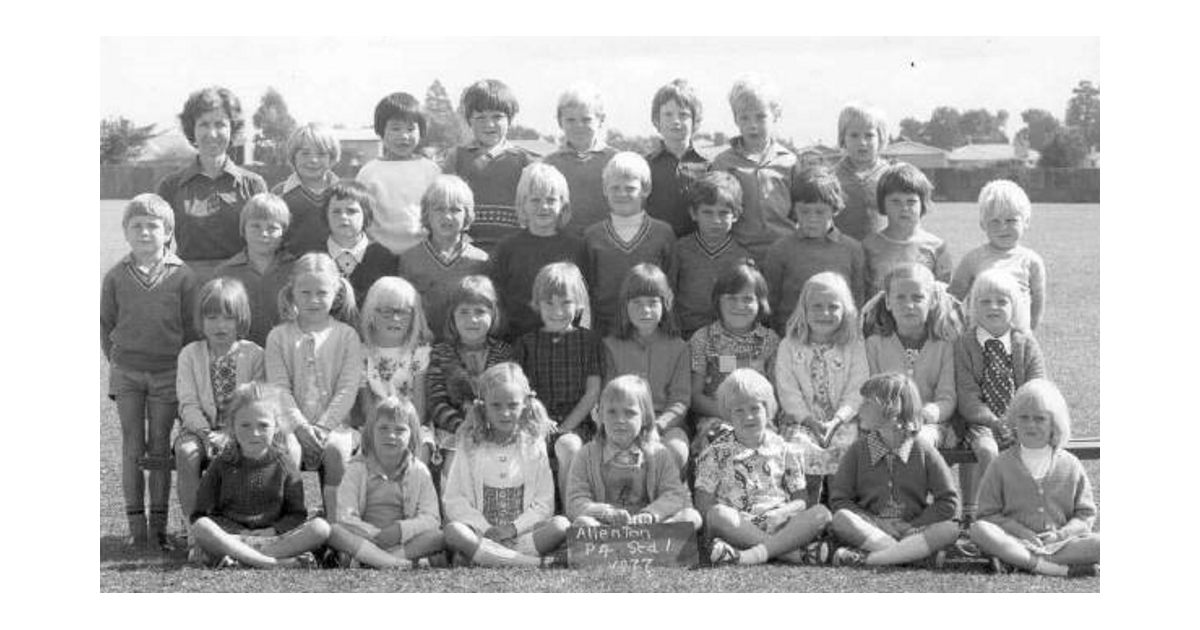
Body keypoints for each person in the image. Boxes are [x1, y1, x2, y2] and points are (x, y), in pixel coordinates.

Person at [101, 193, 199, 549]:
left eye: (152, 226)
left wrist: (178, 368)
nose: (144, 232)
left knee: (158, 448)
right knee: (131, 445)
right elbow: (105, 325)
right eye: (136, 226)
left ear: (168, 231)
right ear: (126, 232)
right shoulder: (115, 276)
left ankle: (158, 527)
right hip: (127, 373)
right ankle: (135, 527)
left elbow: (191, 328)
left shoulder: (183, 275)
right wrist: (119, 362)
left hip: (167, 375)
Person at [697, 369, 832, 566]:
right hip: (739, 525)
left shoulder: (786, 449)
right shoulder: (715, 453)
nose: (748, 417)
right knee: (717, 514)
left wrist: (781, 513)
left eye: (754, 409)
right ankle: (790, 553)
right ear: (728, 414)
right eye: (739, 411)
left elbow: (801, 501)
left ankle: (749, 555)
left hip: (780, 521)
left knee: (822, 513)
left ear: (768, 410)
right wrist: (739, 519)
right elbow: (704, 507)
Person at [189, 382, 331, 568]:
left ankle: (244, 561)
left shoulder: (285, 465)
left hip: (273, 539)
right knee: (202, 527)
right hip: (232, 539)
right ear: (232, 425)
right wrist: (237, 531)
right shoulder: (221, 464)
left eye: (263, 425)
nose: (254, 433)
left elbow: (296, 514)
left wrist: (272, 530)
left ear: (277, 426)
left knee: (321, 528)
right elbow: (201, 513)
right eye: (245, 425)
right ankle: (272, 563)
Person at [442, 363, 570, 567]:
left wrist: (513, 528)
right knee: (453, 532)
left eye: (512, 405)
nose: (505, 413)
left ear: (525, 405)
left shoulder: (533, 445)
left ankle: (487, 558)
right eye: (496, 405)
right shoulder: (470, 444)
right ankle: (534, 563)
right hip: (482, 535)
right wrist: (486, 529)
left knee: (561, 525)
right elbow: (454, 499)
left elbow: (544, 502)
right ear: (482, 406)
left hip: (523, 536)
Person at [265, 252, 363, 517]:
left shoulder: (346, 336)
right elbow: (279, 389)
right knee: (288, 452)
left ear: (336, 293)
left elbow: (347, 388)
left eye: (321, 292)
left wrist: (322, 426)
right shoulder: (279, 336)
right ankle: (289, 521)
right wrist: (300, 427)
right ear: (292, 292)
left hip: (336, 426)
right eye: (305, 292)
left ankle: (337, 524)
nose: (313, 300)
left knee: (337, 450)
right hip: (289, 426)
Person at [968, 380, 1099, 577]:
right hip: (1014, 541)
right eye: (1024, 417)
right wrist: (1021, 532)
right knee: (979, 530)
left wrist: (1059, 535)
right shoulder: (1000, 464)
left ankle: (1018, 561)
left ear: (1054, 423)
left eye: (1039, 419)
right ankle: (1050, 568)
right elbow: (987, 515)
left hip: (1060, 545)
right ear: (1014, 421)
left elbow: (1085, 515)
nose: (1031, 424)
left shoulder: (1071, 464)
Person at [828, 372, 960, 568]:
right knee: (841, 520)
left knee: (950, 529)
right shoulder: (857, 450)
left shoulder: (923, 450)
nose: (859, 409)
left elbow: (948, 502)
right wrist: (877, 523)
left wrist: (912, 526)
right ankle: (912, 556)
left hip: (913, 531)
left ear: (890, 409)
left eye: (867, 403)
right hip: (872, 530)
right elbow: (840, 500)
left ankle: (872, 559)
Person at [953, 269, 1047, 521]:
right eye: (984, 301)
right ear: (974, 306)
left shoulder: (1025, 343)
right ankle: (979, 510)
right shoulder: (965, 344)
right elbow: (967, 395)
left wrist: (1015, 420)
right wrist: (994, 422)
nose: (993, 307)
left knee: (1029, 447)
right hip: (979, 422)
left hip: (1019, 419)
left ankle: (1021, 509)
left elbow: (1036, 388)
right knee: (986, 450)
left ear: (1014, 306)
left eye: (1001, 301)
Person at [174, 277, 265, 530]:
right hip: (198, 430)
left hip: (243, 430)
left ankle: (245, 524)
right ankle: (195, 529)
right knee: (186, 452)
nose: (220, 325)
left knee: (252, 449)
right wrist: (206, 435)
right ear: (201, 321)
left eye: (228, 317)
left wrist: (230, 436)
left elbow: (256, 405)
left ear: (241, 319)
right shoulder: (190, 354)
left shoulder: (255, 355)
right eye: (212, 318)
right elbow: (187, 403)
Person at [774, 272, 869, 507]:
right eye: (816, 306)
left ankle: (840, 508)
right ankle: (809, 511)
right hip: (801, 421)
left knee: (845, 447)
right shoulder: (789, 345)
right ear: (803, 309)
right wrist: (807, 420)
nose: (824, 313)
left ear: (845, 310)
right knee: (801, 447)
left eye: (833, 307)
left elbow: (858, 387)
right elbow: (788, 389)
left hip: (841, 420)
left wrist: (838, 419)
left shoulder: (853, 344)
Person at [513, 262, 603, 505]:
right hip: (535, 421)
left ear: (578, 304)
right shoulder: (526, 344)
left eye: (566, 303)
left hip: (576, 423)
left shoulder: (589, 341)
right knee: (526, 448)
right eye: (549, 303)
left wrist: (565, 427)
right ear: (537, 304)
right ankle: (534, 514)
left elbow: (592, 392)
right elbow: (520, 392)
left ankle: (569, 512)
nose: (557, 311)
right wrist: (539, 422)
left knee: (569, 446)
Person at [156, 86, 267, 281]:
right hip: (188, 287)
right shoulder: (170, 186)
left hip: (241, 287)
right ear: (192, 129)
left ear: (232, 129)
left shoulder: (254, 185)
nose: (212, 133)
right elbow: (158, 251)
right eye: (204, 124)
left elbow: (265, 248)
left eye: (220, 124)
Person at [566, 375, 702, 530]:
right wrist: (606, 513)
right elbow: (575, 501)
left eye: (629, 413)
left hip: (650, 528)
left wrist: (651, 514)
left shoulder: (660, 454)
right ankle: (608, 544)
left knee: (692, 517)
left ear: (644, 417)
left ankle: (660, 540)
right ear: (600, 415)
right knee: (583, 524)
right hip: (606, 528)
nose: (620, 420)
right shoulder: (586, 455)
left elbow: (674, 494)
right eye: (611, 412)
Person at [327, 397, 444, 569]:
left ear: (412, 436)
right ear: (370, 432)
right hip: (365, 540)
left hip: (403, 543)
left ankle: (376, 560)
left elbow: (432, 518)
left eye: (400, 430)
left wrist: (400, 531)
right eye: (383, 428)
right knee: (334, 531)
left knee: (438, 537)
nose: (391, 435)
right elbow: (345, 516)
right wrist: (375, 535)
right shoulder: (356, 469)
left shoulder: (419, 471)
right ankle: (390, 561)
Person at [861, 263, 962, 450]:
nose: (909, 305)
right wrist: (891, 420)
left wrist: (926, 414)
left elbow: (947, 398)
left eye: (918, 297)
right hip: (884, 423)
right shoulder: (874, 345)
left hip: (931, 425)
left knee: (917, 442)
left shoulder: (944, 346)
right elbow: (871, 394)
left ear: (931, 302)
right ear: (888, 303)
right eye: (900, 298)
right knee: (880, 442)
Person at [603, 264, 691, 475]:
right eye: (637, 303)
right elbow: (606, 398)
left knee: (676, 450)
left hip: (665, 425)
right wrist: (627, 427)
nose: (646, 310)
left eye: (653, 303)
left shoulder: (679, 347)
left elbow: (680, 401)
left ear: (665, 304)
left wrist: (657, 427)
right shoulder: (610, 346)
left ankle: (671, 499)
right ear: (625, 306)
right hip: (621, 422)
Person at [687, 260, 779, 457]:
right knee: (722, 443)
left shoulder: (770, 341)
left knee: (767, 448)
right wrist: (731, 415)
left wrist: (753, 417)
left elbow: (776, 393)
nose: (739, 305)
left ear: (760, 303)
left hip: (758, 418)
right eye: (731, 298)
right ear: (717, 301)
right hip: (716, 418)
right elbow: (695, 397)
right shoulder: (702, 339)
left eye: (748, 299)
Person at [489, 163, 590, 342]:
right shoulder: (507, 248)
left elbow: (585, 303)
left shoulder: (578, 248)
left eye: (551, 200)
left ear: (563, 205)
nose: (543, 207)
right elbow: (497, 300)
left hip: (566, 341)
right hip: (518, 342)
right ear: (523, 205)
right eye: (535, 200)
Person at [426, 275, 513, 481]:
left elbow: (508, 398)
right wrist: (463, 427)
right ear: (452, 317)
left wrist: (487, 428)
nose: (472, 319)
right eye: (463, 312)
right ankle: (452, 512)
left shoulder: (504, 353)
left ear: (493, 314)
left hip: (495, 426)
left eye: (480, 312)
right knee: (455, 459)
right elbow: (436, 401)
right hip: (453, 429)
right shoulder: (441, 353)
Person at [764, 165, 866, 334]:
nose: (812, 219)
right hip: (792, 340)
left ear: (834, 209)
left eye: (820, 212)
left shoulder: (853, 249)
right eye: (804, 211)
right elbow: (770, 301)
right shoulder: (780, 249)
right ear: (794, 209)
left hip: (838, 342)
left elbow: (858, 301)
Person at [584, 152, 676, 336]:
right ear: (604, 190)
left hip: (650, 330)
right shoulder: (592, 235)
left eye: (630, 188)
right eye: (615, 188)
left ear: (646, 189)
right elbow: (589, 289)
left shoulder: (663, 233)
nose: (622, 194)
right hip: (606, 331)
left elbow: (671, 284)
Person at [710, 74, 797, 266]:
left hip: (784, 252)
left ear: (776, 115)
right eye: (745, 117)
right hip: (739, 254)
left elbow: (799, 210)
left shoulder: (789, 162)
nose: (753, 125)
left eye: (760, 116)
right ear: (735, 119)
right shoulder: (723, 163)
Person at [443, 79, 537, 253]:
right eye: (480, 117)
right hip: (466, 248)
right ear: (469, 120)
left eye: (497, 117)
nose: (489, 124)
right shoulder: (457, 157)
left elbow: (532, 209)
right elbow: (446, 202)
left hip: (512, 248)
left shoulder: (525, 161)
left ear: (510, 119)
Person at [397, 175, 489, 342]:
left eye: (455, 210)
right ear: (427, 213)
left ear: (467, 214)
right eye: (439, 209)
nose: (447, 217)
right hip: (423, 347)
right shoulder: (410, 258)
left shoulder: (480, 261)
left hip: (465, 349)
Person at [948, 179, 1047, 331]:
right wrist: (960, 328)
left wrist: (1029, 331)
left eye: (1011, 220)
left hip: (1017, 340)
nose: (1003, 227)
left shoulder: (1031, 261)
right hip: (979, 341)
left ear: (1026, 221)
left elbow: (1038, 300)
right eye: (995, 221)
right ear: (982, 224)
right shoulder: (973, 259)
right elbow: (953, 298)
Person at [358, 276, 436, 465]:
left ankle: (413, 492)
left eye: (403, 312)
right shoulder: (362, 353)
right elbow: (366, 402)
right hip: (375, 424)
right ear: (370, 314)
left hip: (411, 423)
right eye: (386, 312)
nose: (395, 318)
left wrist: (405, 429)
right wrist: (381, 430)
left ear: (413, 316)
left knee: (421, 448)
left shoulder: (418, 352)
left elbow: (419, 403)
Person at [355, 92, 441, 256]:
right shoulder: (369, 172)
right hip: (379, 253)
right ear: (381, 130)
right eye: (395, 128)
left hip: (425, 252)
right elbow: (360, 216)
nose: (404, 136)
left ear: (421, 131)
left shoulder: (432, 170)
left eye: (411, 129)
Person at [673, 171, 752, 337]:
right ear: (694, 214)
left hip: (727, 339)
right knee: (691, 363)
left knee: (728, 364)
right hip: (686, 336)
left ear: (736, 215)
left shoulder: (743, 258)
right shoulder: (679, 250)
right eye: (707, 212)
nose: (715, 220)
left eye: (723, 213)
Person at [214, 192, 294, 346]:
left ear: (283, 232)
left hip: (288, 354)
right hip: (240, 357)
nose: (263, 234)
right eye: (255, 226)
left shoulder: (296, 270)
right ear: (243, 229)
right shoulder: (224, 273)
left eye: (272, 228)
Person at [861, 163, 952, 297]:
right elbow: (863, 294)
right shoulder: (869, 246)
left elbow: (944, 297)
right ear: (883, 203)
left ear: (923, 203)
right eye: (896, 201)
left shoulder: (937, 247)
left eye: (911, 202)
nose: (904, 208)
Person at [544, 82, 618, 237]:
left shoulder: (616, 161)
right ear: (559, 122)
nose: (579, 126)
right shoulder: (548, 165)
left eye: (586, 120)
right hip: (563, 244)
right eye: (570, 120)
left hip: (607, 243)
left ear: (601, 120)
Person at [645, 78, 710, 237]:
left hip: (696, 249)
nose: (676, 121)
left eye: (684, 115)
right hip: (657, 247)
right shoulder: (645, 166)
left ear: (695, 121)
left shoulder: (708, 166)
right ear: (656, 120)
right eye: (668, 114)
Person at [274, 122, 342, 256]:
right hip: (290, 270)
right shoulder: (279, 194)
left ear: (332, 158)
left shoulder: (345, 193)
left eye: (322, 154)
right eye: (305, 154)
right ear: (293, 157)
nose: (314, 160)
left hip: (337, 270)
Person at [831, 102, 891, 241]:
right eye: (854, 135)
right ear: (843, 138)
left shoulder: (891, 176)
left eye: (869, 135)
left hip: (882, 255)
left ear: (881, 138)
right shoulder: (831, 178)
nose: (862, 142)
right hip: (843, 255)